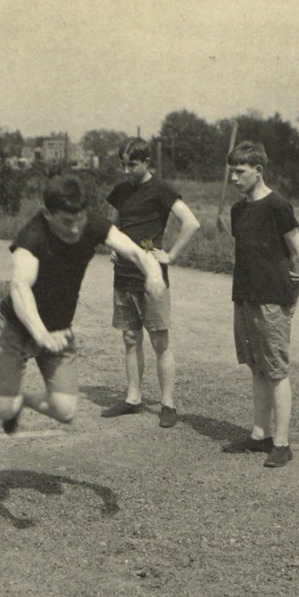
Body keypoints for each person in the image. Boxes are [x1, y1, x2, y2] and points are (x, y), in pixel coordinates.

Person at [0, 176, 165, 434]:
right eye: (67, 221)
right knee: (4, 410)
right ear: (48, 214)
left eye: (80, 219)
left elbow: (138, 252)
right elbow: (19, 288)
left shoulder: (92, 225)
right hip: (16, 327)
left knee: (65, 411)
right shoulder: (32, 236)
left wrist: (154, 274)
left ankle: (21, 400)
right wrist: (40, 335)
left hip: (59, 329)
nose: (75, 228)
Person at [101, 136, 200, 428]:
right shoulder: (120, 191)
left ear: (146, 162)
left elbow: (191, 222)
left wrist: (170, 254)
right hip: (124, 277)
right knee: (130, 339)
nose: (126, 171)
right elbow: (111, 226)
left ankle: (168, 404)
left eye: (132, 165)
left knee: (159, 341)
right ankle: (133, 397)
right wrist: (112, 247)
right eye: (123, 165)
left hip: (152, 278)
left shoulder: (161, 190)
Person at [220, 141, 299, 468]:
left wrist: (291, 301)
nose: (235, 179)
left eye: (240, 172)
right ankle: (259, 435)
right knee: (256, 367)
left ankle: (281, 443)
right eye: (232, 172)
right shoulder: (238, 210)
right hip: (244, 297)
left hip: (273, 300)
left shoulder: (278, 206)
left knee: (276, 370)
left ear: (258, 171)